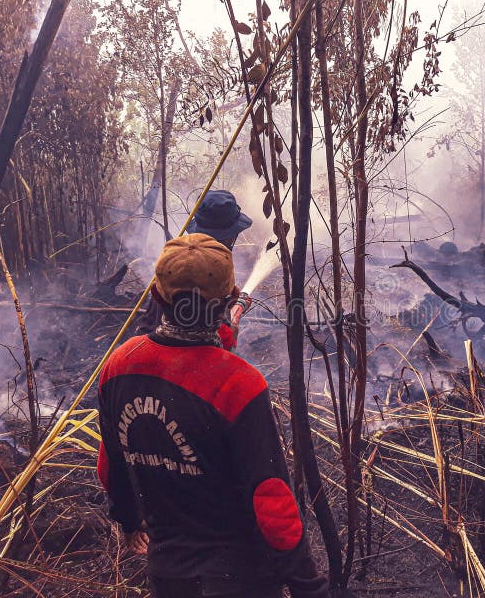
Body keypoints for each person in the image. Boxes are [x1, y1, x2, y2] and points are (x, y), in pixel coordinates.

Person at [97, 233, 327, 598]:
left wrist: (127, 520)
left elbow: (110, 465)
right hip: (241, 579)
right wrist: (308, 586)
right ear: (231, 298)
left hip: (168, 576)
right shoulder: (240, 385)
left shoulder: (119, 365)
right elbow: (271, 499)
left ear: (156, 296)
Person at [138, 189, 253, 349]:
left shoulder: (173, 262)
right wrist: (235, 313)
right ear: (230, 236)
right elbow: (221, 340)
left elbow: (150, 326)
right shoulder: (216, 274)